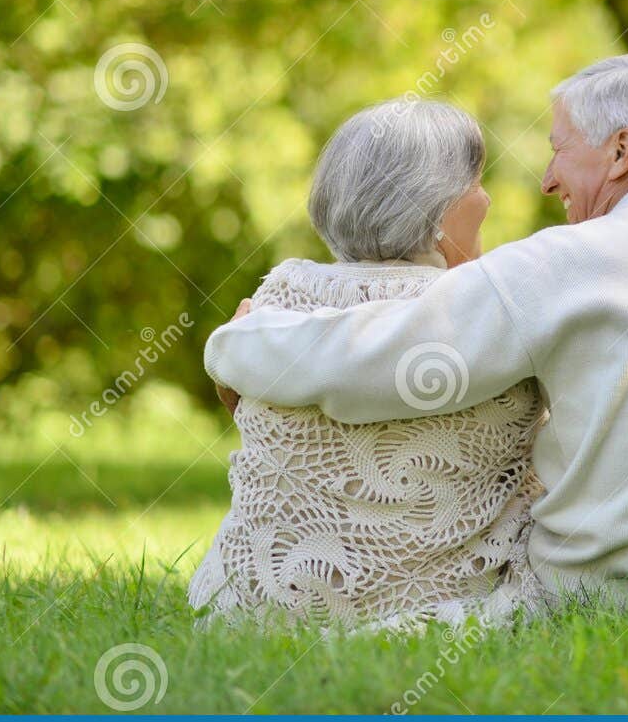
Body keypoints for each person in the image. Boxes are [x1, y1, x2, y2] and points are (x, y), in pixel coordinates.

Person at [206, 52, 628, 609]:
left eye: (558, 150)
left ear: (621, 150)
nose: (547, 180)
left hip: (615, 595)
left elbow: (372, 358)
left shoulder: (558, 265)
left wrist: (235, 343)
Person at [190, 98, 549, 629]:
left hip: (256, 602)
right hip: (436, 603)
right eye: (475, 182)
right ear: (437, 210)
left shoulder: (281, 296)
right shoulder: (484, 312)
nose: (487, 197)